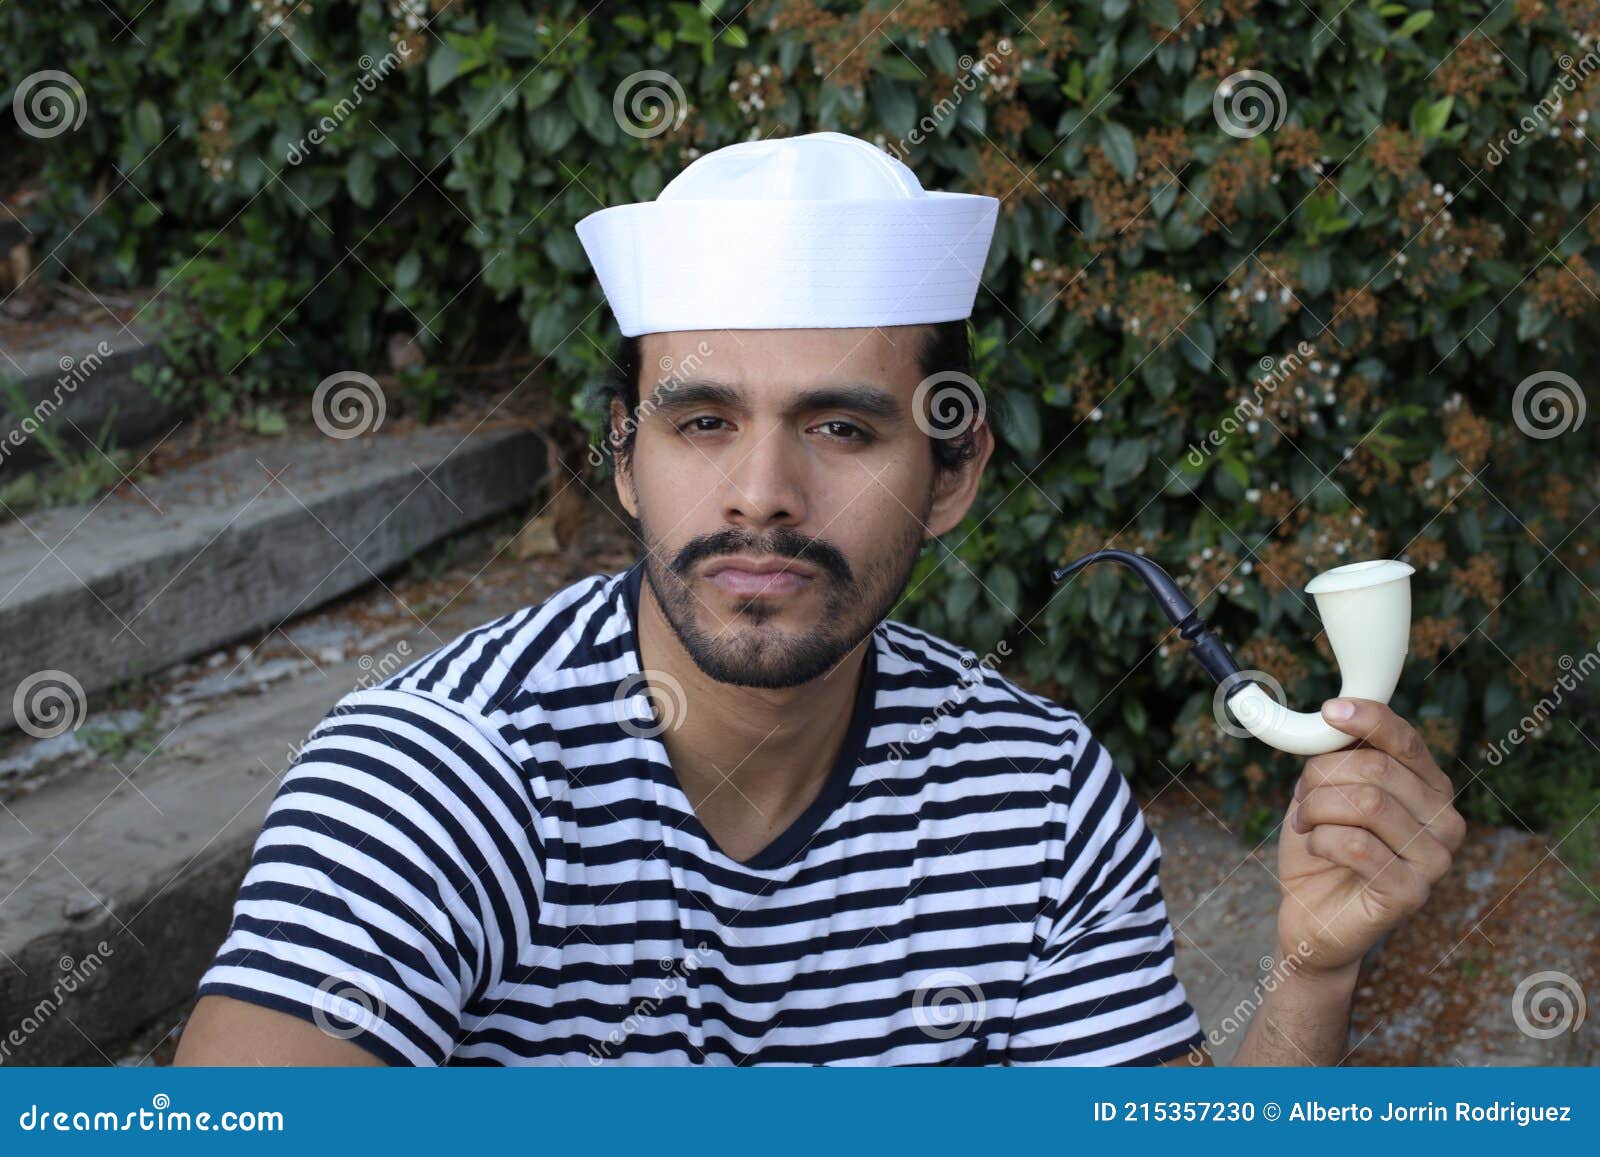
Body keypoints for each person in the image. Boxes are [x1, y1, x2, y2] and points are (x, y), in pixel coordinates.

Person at [176, 132, 1464, 1066]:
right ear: (623, 459)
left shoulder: (1034, 791)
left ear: (951, 472)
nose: (761, 495)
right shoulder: (439, 771)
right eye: (702, 422)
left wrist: (1313, 966)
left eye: (841, 428)